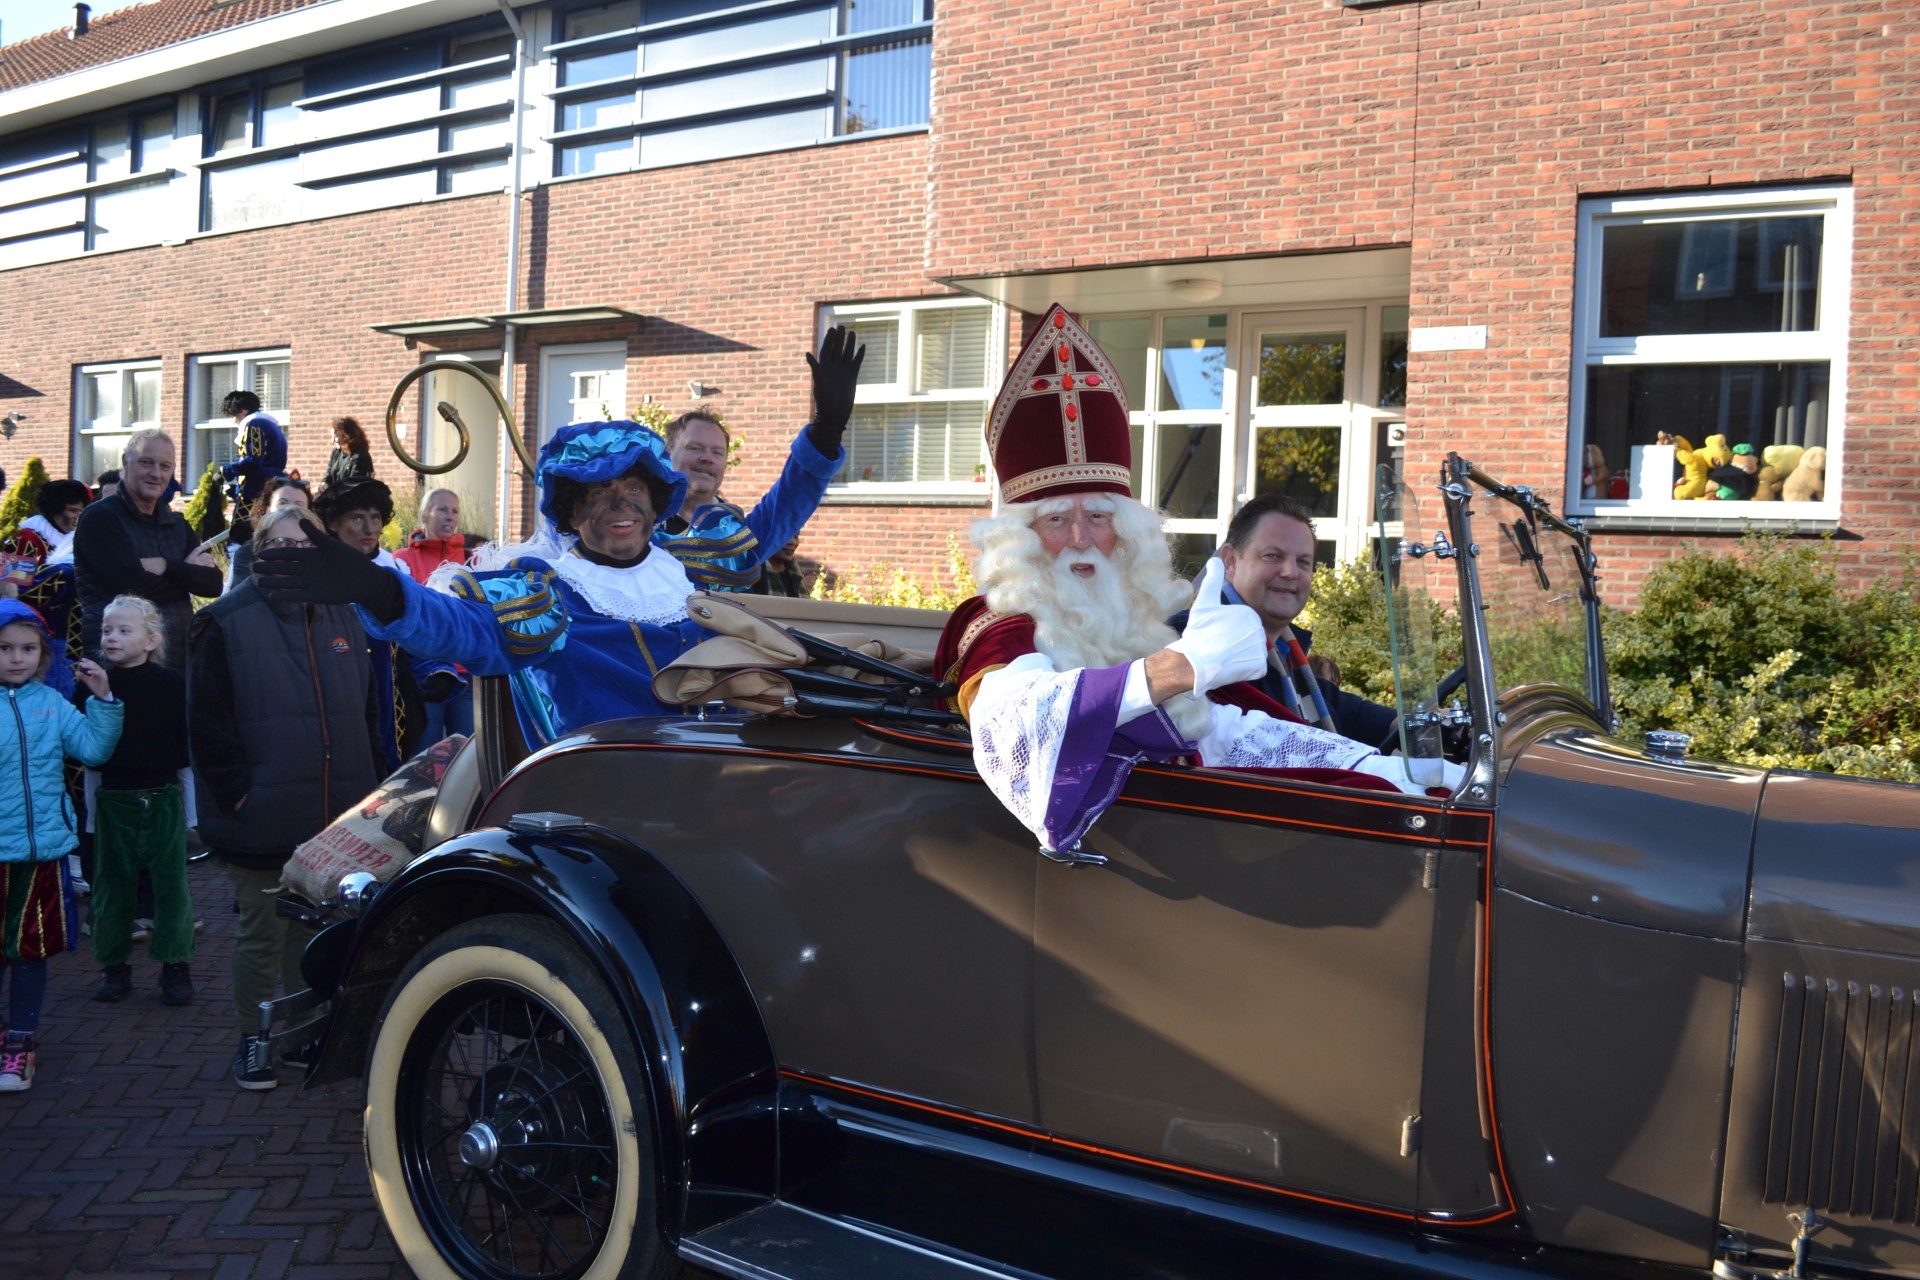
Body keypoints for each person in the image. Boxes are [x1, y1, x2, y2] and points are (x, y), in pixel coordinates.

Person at [933, 304, 1450, 853]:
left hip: (1179, 843)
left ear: (1125, 532)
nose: (1082, 538)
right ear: (1022, 536)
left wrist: (1385, 772)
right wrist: (1182, 665)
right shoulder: (999, 623)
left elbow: (1220, 729)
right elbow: (1019, 720)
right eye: (1058, 519)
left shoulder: (1126, 624)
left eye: (1100, 518)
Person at [255, 330, 865, 747]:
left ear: (658, 503)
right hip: (610, 801)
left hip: (723, 768)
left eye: (634, 491)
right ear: (571, 515)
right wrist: (379, 589)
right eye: (598, 494)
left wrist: (825, 433)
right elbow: (456, 628)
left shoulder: (690, 567)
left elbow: (772, 522)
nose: (619, 507)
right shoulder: (547, 596)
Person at [187, 506, 382, 1090]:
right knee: (261, 931)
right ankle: (253, 1038)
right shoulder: (224, 621)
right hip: (260, 813)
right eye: (282, 543)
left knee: (311, 930)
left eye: (308, 544)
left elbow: (368, 711)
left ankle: (298, 1035)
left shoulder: (344, 615)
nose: (295, 554)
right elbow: (207, 725)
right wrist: (238, 797)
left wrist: (371, 787)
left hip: (333, 816)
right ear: (260, 547)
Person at [0, 599, 123, 1092]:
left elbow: (94, 749)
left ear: (44, 655)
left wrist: (104, 700)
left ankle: (20, 1043)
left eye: (28, 648)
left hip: (42, 852)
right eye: (5, 648)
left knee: (31, 950)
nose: (17, 658)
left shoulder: (53, 705)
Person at [1172, 491, 1398, 750]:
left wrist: (1434, 724)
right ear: (1231, 561)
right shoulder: (1189, 641)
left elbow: (1364, 718)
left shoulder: (1291, 664)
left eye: (1303, 562)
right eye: (1272, 556)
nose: (1290, 572)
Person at [655, 327, 861, 591]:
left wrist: (827, 429)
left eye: (717, 452)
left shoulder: (741, 536)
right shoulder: (642, 526)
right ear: (668, 454)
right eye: (696, 448)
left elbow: (789, 500)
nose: (707, 458)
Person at [86, 595, 195, 1007]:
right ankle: (113, 966)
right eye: (107, 630)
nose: (112, 637)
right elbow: (91, 747)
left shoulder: (169, 682)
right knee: (112, 888)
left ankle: (174, 965)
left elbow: (182, 743)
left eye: (123, 630)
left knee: (171, 886)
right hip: (114, 797)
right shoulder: (98, 683)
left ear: (151, 640)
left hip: (163, 794)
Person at [72, 430, 222, 667]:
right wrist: (186, 574)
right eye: (146, 462)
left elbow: (213, 584)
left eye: (165, 466)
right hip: (120, 664)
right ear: (125, 463)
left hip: (177, 656)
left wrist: (165, 566)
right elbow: (132, 589)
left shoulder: (177, 524)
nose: (156, 473)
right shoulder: (100, 518)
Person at [312, 477, 418, 771]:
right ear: (334, 522)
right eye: (357, 518)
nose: (370, 529)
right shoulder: (319, 571)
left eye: (375, 517)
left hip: (389, 690)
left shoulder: (392, 568)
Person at [394, 489, 473, 741]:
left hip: (467, 671)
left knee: (469, 760)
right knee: (424, 757)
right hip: (424, 673)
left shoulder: (472, 559)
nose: (449, 517)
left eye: (454, 511)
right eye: (442, 509)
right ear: (425, 515)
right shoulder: (402, 560)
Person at [226, 475, 313, 586]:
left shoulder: (320, 548)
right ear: (267, 510)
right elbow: (242, 598)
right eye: (283, 503)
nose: (290, 510)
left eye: (299, 505)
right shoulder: (248, 553)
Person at [219, 391, 288, 519]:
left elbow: (253, 462)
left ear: (243, 409)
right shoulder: (271, 425)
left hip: (256, 490)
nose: (234, 420)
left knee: (241, 532)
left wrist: (226, 471)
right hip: (272, 486)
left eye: (234, 415)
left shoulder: (254, 424)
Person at [16, 479, 91, 564]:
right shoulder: (27, 539)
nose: (79, 516)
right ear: (55, 510)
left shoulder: (81, 539)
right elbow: (14, 576)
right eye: (72, 510)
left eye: (82, 511)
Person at [325, 416, 375, 488]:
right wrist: (324, 484)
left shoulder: (360, 456)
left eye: (335, 437)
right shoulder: (336, 452)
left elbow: (354, 483)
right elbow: (329, 473)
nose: (332, 441)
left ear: (346, 436)